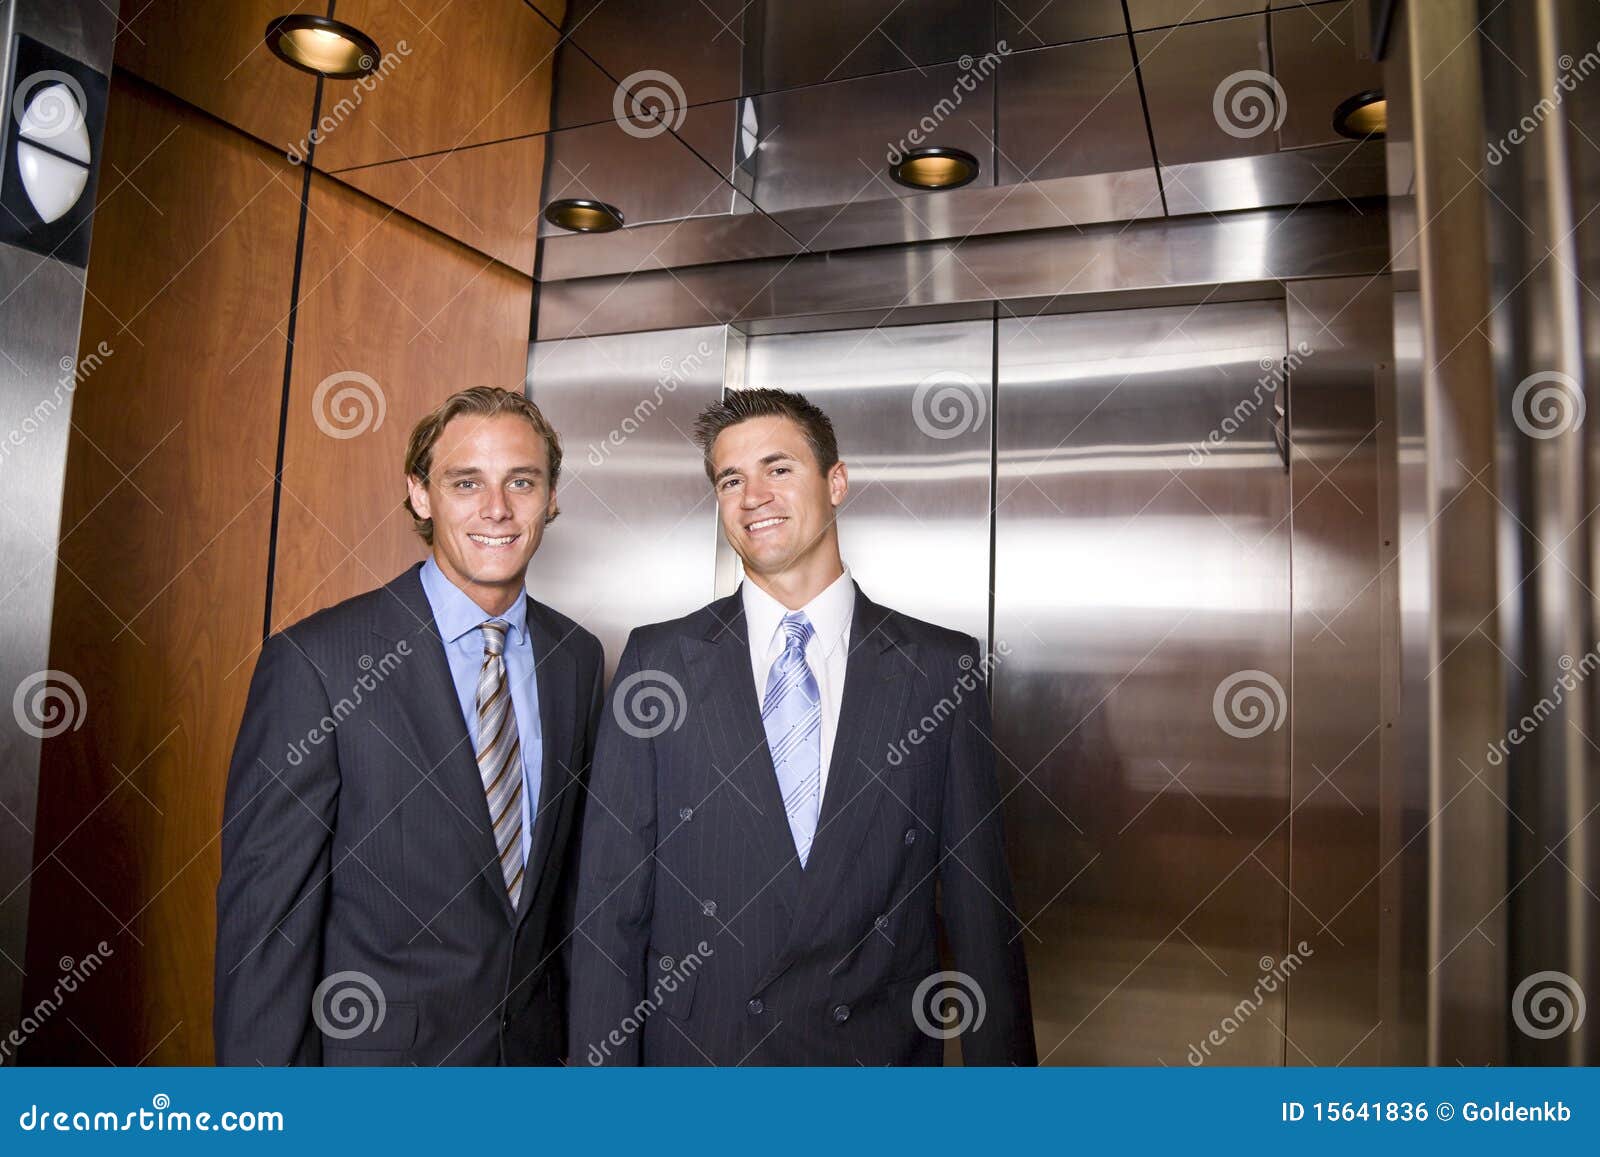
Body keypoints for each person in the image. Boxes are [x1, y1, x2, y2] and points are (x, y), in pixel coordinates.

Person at [569, 387, 1035, 1065]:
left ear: (835, 481)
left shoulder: (940, 668)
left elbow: (979, 912)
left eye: (778, 468)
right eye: (732, 479)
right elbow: (610, 911)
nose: (753, 494)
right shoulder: (656, 660)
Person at [214, 386, 603, 1065]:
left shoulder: (576, 657)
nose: (497, 509)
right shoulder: (318, 664)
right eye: (465, 482)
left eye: (521, 480)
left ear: (552, 497)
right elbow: (266, 930)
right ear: (420, 494)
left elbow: (564, 894)